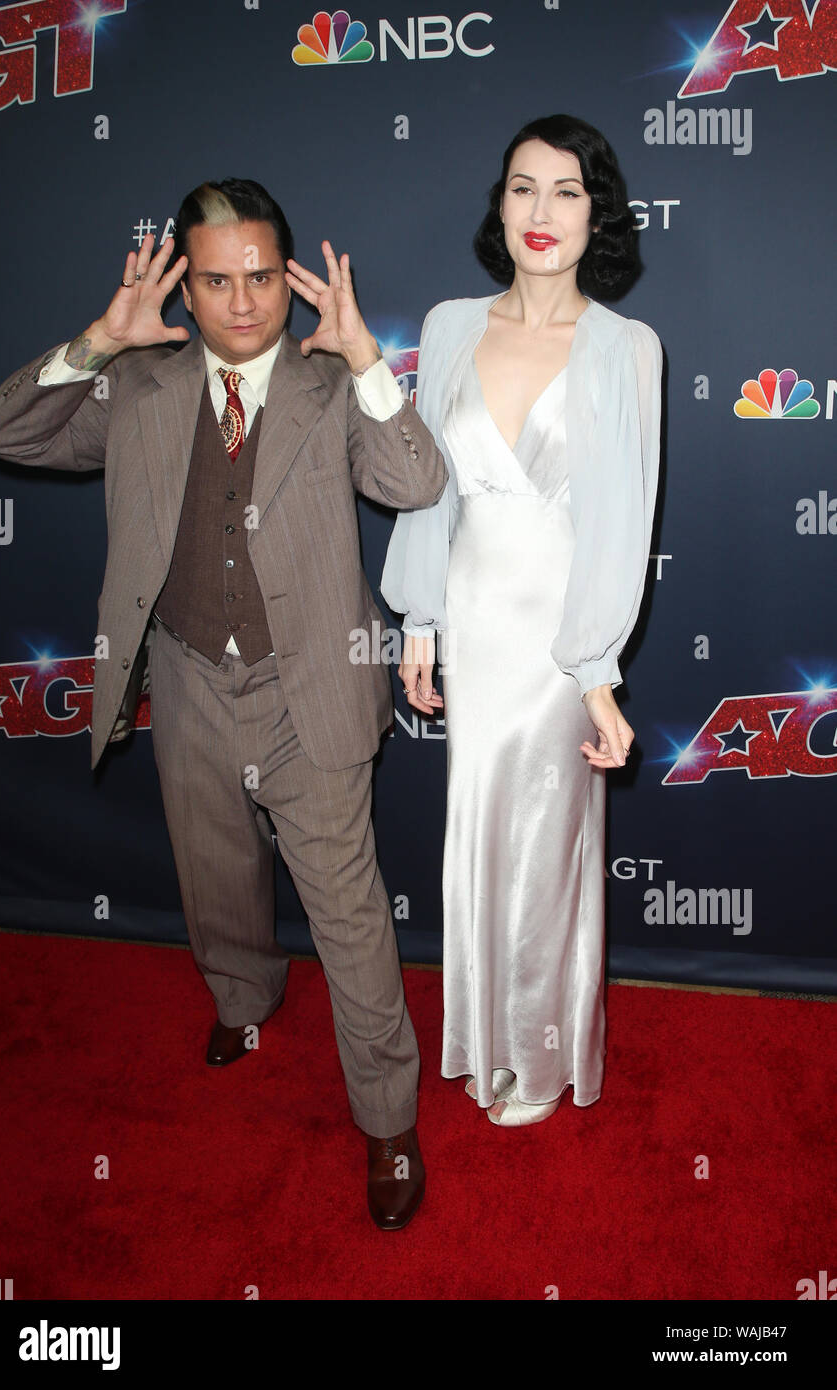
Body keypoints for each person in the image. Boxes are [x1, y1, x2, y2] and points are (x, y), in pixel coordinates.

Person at [0, 178, 448, 1226]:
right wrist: (100, 337)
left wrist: (364, 355)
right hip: (189, 675)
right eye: (220, 282)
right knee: (215, 869)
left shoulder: (333, 389)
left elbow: (415, 483)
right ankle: (244, 997)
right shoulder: (139, 388)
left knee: (350, 911)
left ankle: (387, 1117)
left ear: (293, 279)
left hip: (307, 684)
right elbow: (3, 430)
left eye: (265, 278)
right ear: (185, 290)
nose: (244, 303)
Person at [381, 116, 663, 1126]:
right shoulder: (451, 325)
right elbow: (426, 488)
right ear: (497, 204)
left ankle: (535, 1064)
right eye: (521, 187)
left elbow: (622, 518)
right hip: (472, 618)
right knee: (478, 837)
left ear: (599, 214)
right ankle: (482, 1040)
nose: (541, 213)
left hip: (555, 639)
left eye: (567, 191)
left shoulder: (628, 347)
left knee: (545, 848)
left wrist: (594, 670)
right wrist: (417, 619)